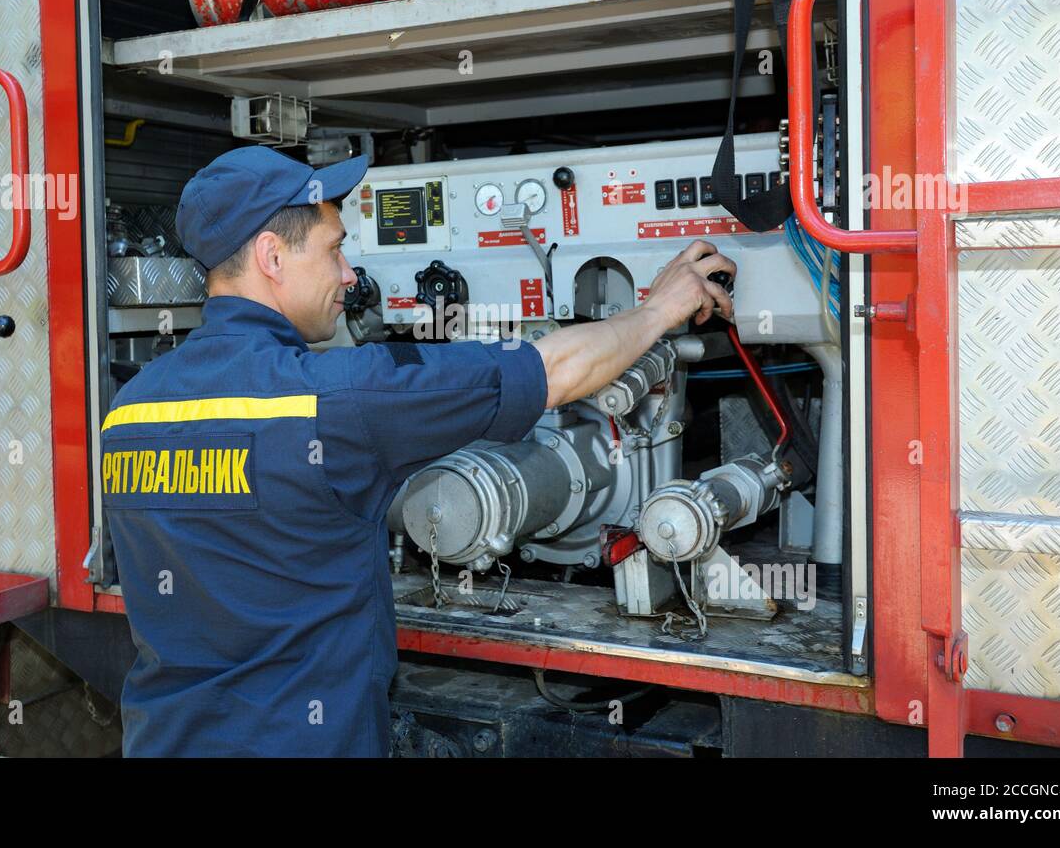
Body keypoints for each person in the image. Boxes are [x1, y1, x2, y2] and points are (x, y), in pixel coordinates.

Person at [100, 145, 735, 756]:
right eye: (335, 249)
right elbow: (554, 372)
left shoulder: (127, 413)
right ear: (271, 256)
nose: (349, 275)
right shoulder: (337, 398)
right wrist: (657, 310)